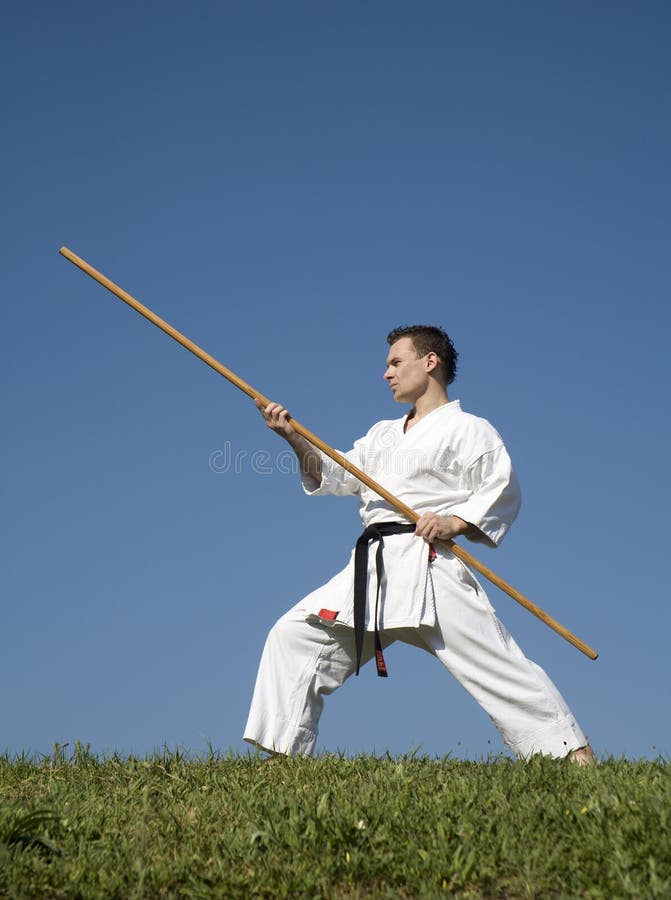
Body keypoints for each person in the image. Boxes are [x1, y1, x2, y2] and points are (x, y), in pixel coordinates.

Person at [243, 325, 594, 764]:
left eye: (395, 362)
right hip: (373, 569)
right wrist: (292, 437)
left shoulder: (470, 429)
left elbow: (502, 489)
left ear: (430, 362)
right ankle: (284, 761)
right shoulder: (381, 435)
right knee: (294, 637)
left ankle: (573, 759)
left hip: (432, 568)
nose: (385, 374)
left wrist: (454, 521)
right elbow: (332, 474)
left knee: (500, 670)